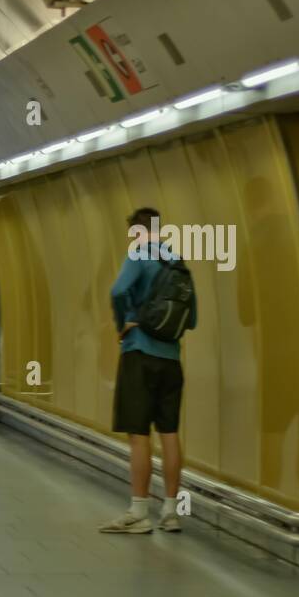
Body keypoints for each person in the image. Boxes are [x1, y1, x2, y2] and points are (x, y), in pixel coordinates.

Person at [100, 207, 198, 534]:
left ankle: (138, 511)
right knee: (169, 432)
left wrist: (123, 322)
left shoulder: (139, 254)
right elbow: (192, 320)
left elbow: (117, 291)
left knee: (139, 434)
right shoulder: (177, 262)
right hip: (171, 359)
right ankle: (170, 512)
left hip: (139, 353)